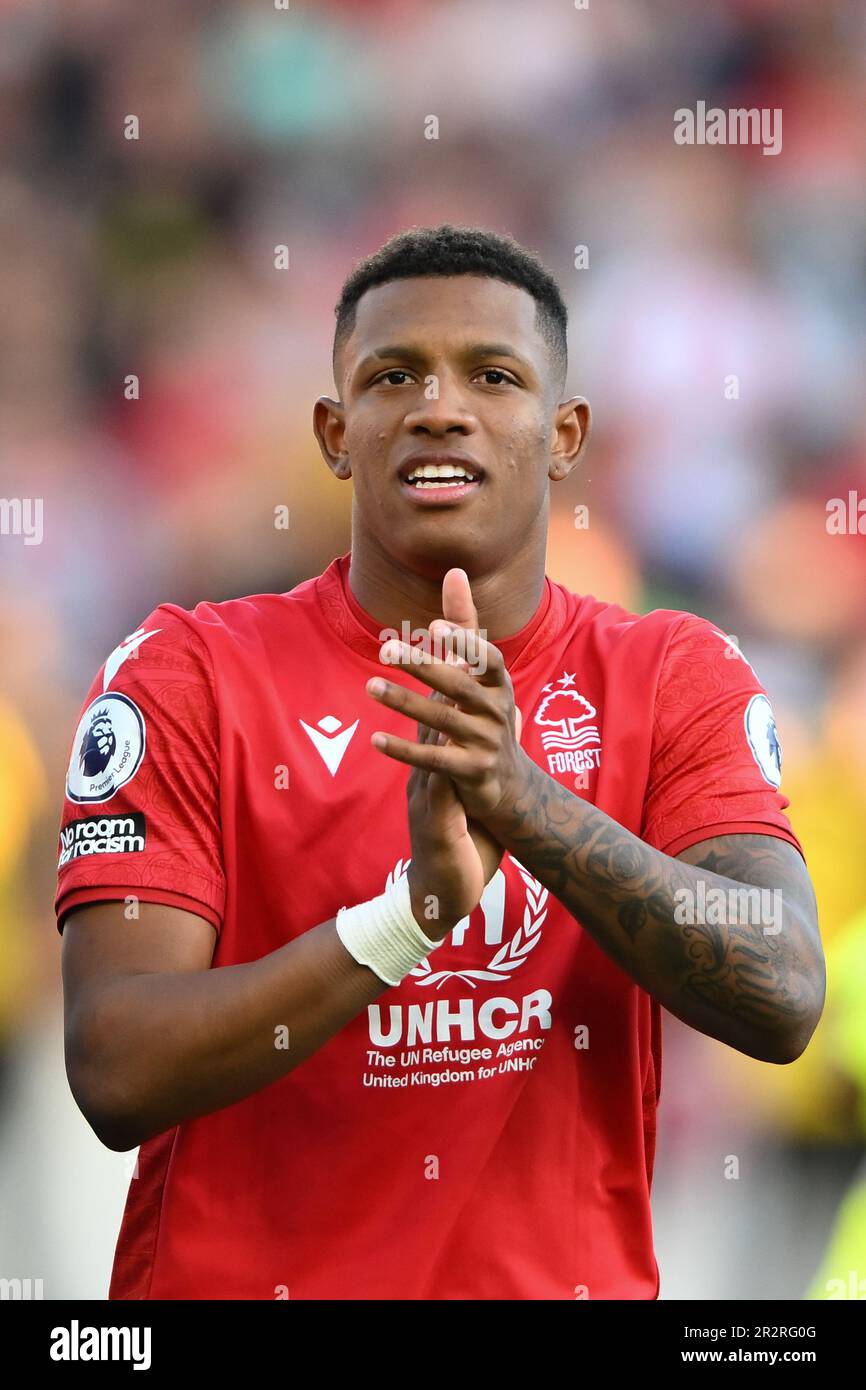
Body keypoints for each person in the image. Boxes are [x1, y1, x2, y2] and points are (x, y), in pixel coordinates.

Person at [56, 224, 825, 1300]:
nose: (438, 405)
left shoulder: (669, 674)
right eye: (392, 376)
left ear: (564, 435)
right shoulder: (190, 673)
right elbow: (115, 1069)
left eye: (493, 375)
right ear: (334, 433)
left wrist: (528, 805)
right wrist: (407, 915)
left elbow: (783, 990)